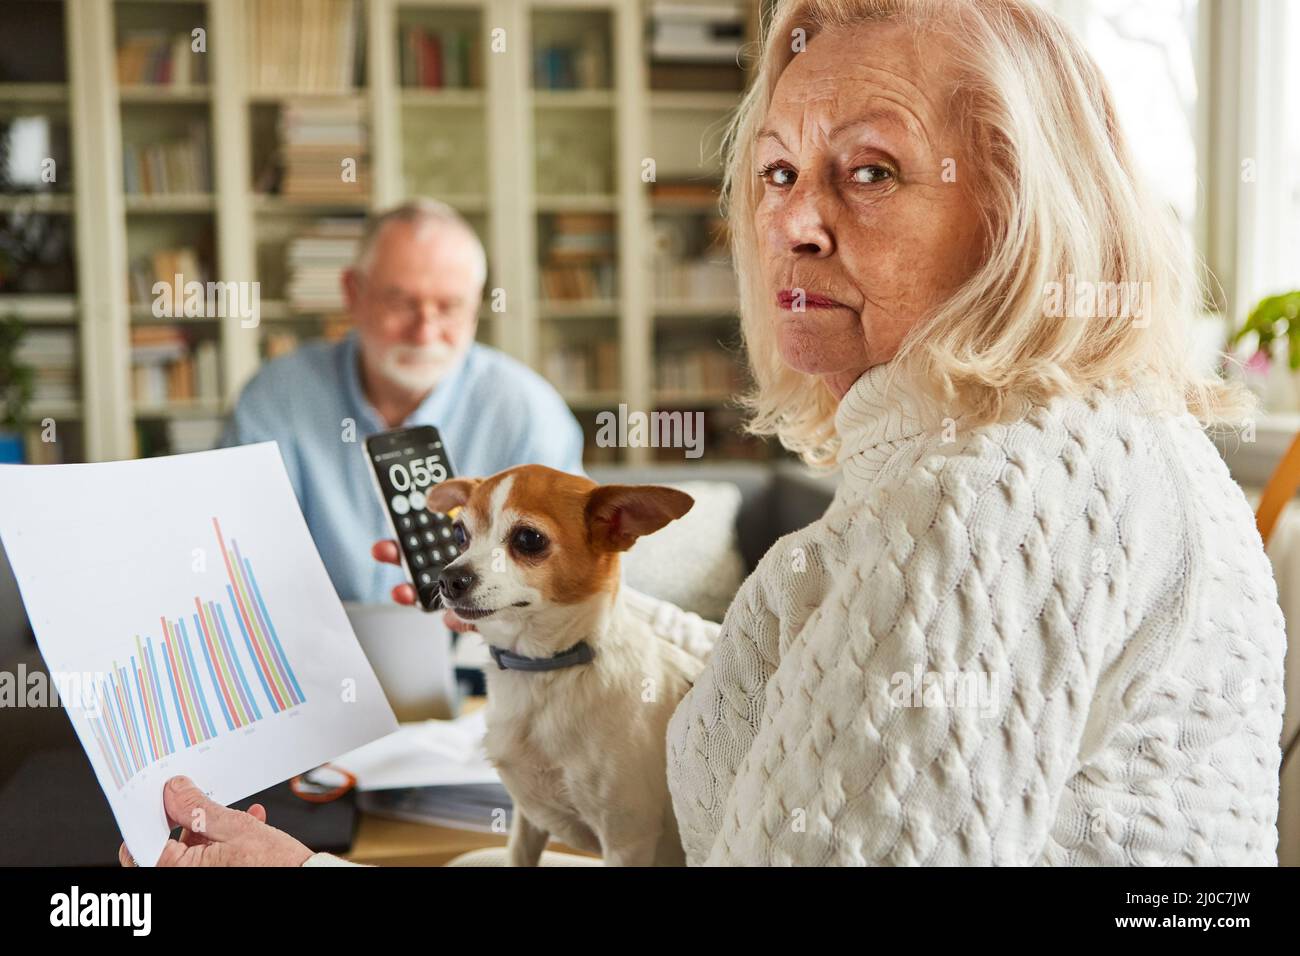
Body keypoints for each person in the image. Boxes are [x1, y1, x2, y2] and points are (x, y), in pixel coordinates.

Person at [129, 0, 1284, 867]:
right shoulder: (1064, 439)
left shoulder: (983, 494)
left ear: (1026, 212)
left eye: (867, 170)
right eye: (776, 170)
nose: (790, 218)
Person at [218, 199, 585, 604]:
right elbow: (234, 560)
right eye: (400, 302)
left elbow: (572, 574)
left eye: (449, 306)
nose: (424, 331)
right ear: (352, 294)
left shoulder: (529, 412)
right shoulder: (274, 399)